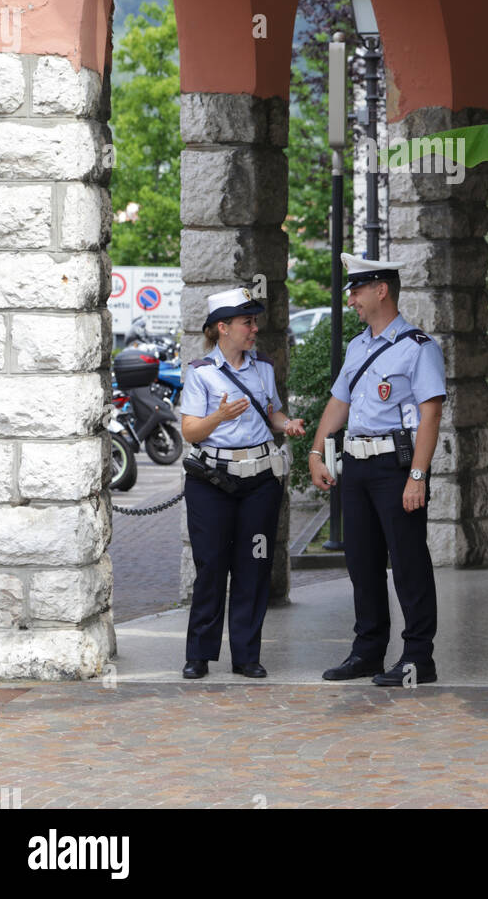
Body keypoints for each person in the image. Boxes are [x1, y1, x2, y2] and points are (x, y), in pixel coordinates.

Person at [309, 254, 446, 686]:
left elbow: (431, 414)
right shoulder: (357, 346)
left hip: (395, 466)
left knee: (408, 564)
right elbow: (340, 402)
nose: (350, 299)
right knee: (361, 563)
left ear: (381, 290)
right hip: (357, 466)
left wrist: (417, 477)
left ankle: (418, 658)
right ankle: (367, 651)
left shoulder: (419, 347)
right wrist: (316, 452)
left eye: (356, 290)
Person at [178, 286, 304, 680]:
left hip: (259, 482)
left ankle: (247, 655)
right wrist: (218, 417)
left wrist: (288, 424)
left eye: (254, 321)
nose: (254, 329)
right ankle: (199, 654)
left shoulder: (262, 367)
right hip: (212, 481)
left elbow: (273, 413)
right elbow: (190, 432)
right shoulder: (200, 373)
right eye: (246, 322)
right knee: (211, 565)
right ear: (222, 328)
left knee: (254, 566)